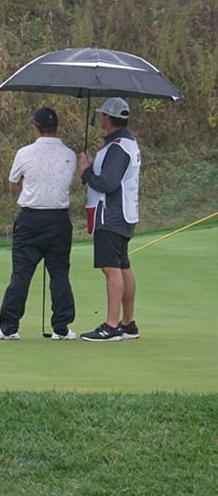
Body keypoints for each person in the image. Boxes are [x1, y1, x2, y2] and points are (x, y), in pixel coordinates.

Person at [0, 106, 78, 340]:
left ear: (37, 129)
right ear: (55, 128)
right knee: (59, 273)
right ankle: (62, 327)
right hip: (59, 220)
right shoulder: (70, 154)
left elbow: (13, 184)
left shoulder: (24, 153)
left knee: (21, 274)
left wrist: (27, 188)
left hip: (30, 219)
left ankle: (9, 327)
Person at [77, 97, 141, 341]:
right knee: (122, 266)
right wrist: (94, 168)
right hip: (123, 213)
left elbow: (108, 183)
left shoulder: (116, 146)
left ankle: (112, 325)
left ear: (107, 118)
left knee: (111, 268)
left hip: (111, 213)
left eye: (103, 114)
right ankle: (128, 323)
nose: (101, 118)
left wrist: (86, 173)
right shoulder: (125, 143)